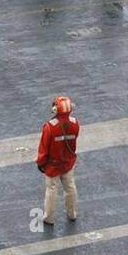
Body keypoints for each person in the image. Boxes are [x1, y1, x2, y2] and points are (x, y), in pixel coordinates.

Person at [36, 95, 79, 226]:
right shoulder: (75, 123)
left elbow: (43, 148)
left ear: (55, 109)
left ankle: (49, 217)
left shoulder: (49, 127)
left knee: (51, 190)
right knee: (70, 187)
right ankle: (72, 213)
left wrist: (40, 163)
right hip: (68, 163)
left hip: (53, 165)